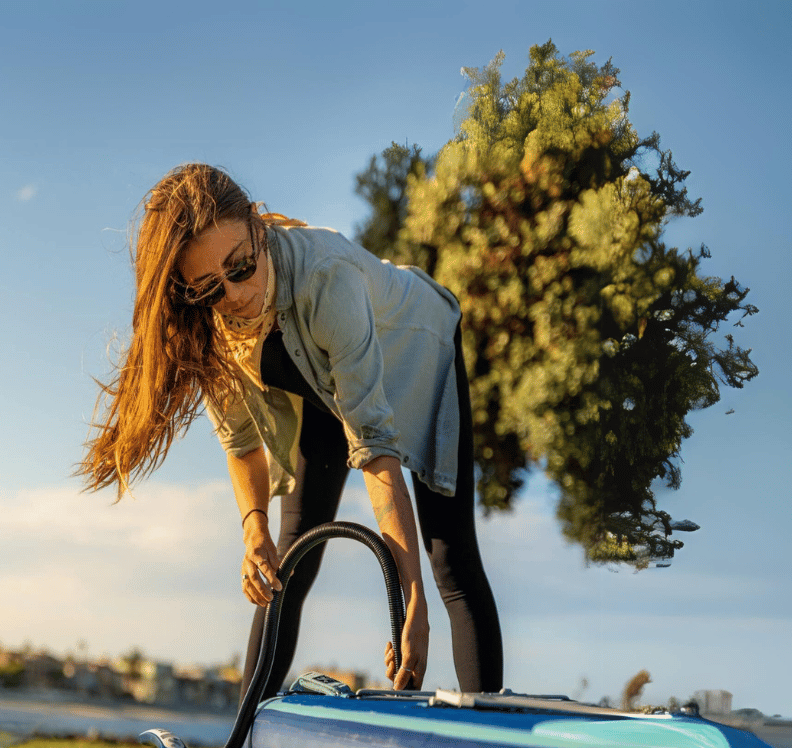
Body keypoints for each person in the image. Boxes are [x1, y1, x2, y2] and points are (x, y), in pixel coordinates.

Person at [78, 163, 503, 698]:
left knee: (449, 562)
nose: (233, 295)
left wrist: (411, 597)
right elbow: (242, 446)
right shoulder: (211, 328)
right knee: (288, 558)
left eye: (240, 266)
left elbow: (372, 446)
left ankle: (487, 727)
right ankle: (246, 729)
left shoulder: (328, 279)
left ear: (258, 227)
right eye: (209, 287)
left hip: (420, 349)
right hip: (326, 390)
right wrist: (252, 531)